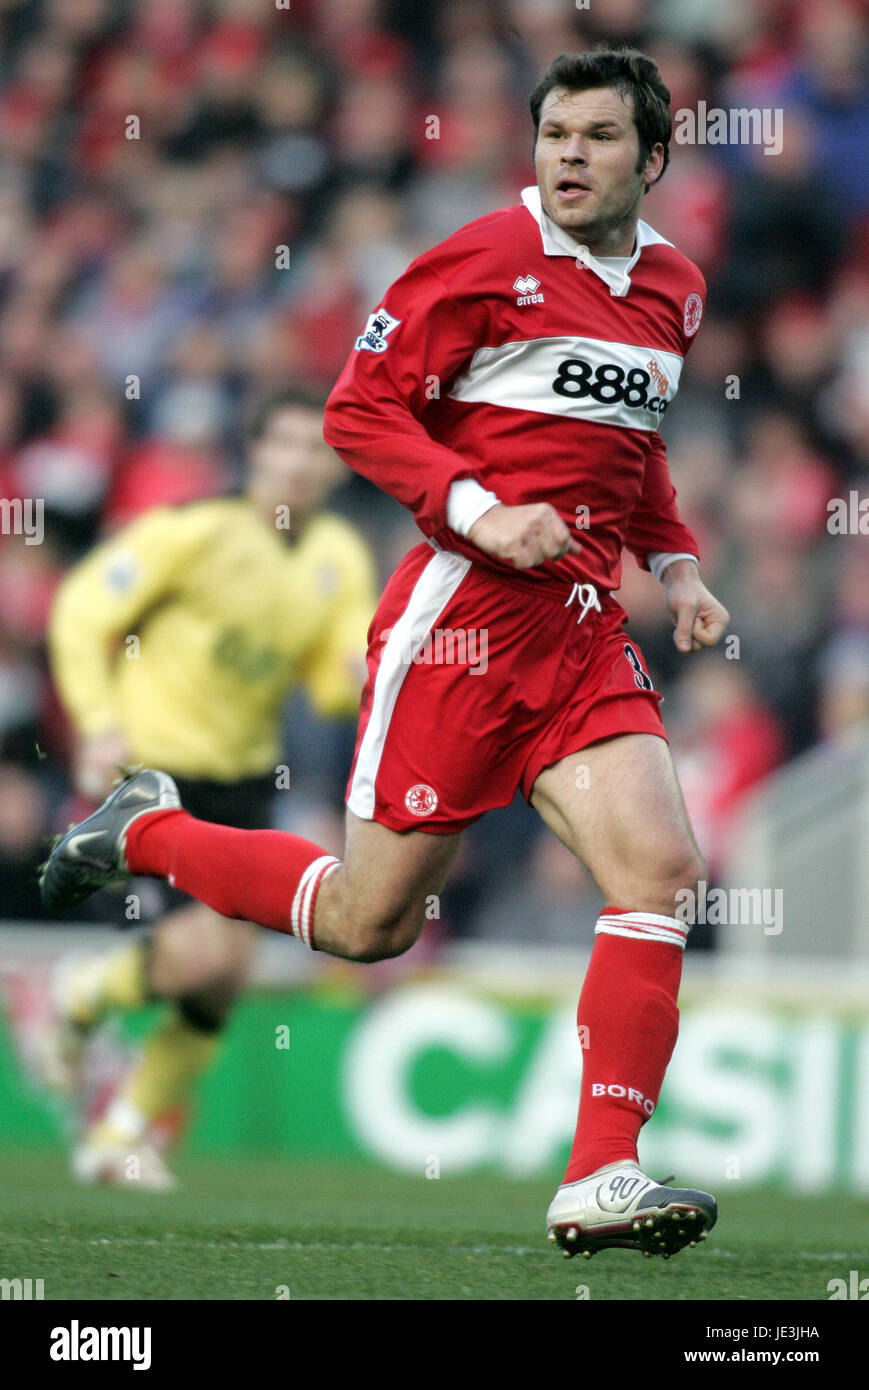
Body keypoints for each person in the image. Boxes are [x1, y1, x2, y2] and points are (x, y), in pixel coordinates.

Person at [41, 47, 729, 1258]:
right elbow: (360, 405)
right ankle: (140, 829)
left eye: (597, 137)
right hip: (458, 623)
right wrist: (479, 511)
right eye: (553, 133)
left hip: (577, 634)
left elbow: (635, 443)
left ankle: (598, 1172)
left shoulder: (673, 284)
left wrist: (673, 567)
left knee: (662, 871)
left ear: (651, 158)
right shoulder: (485, 258)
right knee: (368, 925)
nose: (567, 155)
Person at [42, 387, 375, 1187]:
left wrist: (369, 672)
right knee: (197, 960)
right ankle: (81, 992)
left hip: (246, 781)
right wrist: (96, 723)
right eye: (285, 444)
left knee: (228, 976)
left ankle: (117, 1136)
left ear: (333, 467)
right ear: (254, 453)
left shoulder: (339, 559)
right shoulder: (190, 531)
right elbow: (81, 613)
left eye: (315, 450)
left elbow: (332, 685)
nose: (299, 463)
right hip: (155, 780)